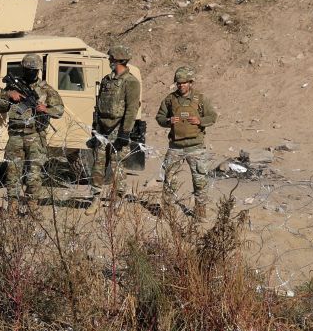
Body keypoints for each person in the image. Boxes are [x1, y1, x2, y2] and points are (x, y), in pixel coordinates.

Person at [0, 53, 63, 213]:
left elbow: (59, 110)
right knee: (13, 173)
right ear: (23, 69)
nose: (30, 73)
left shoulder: (46, 89)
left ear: (38, 70)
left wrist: (46, 109)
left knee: (34, 174)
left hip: (36, 135)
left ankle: (32, 207)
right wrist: (8, 96)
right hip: (16, 135)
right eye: (27, 70)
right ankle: (12, 207)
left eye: (33, 70)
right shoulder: (13, 87)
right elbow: (0, 106)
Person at [155, 65, 218, 218]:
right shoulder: (170, 99)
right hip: (175, 147)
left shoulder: (200, 99)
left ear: (191, 82)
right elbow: (160, 117)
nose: (181, 85)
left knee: (200, 181)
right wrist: (168, 121)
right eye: (178, 83)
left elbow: (212, 117)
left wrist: (200, 120)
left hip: (196, 147)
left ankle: (200, 212)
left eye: (184, 82)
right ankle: (167, 212)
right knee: (169, 180)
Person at [91, 44, 141, 205]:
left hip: (118, 128)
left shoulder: (131, 82)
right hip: (102, 128)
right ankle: (95, 198)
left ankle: (118, 199)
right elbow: (99, 104)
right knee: (98, 165)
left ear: (118, 60)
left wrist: (125, 132)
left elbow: (132, 108)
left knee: (117, 166)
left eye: (111, 59)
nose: (109, 61)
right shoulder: (107, 80)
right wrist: (95, 126)